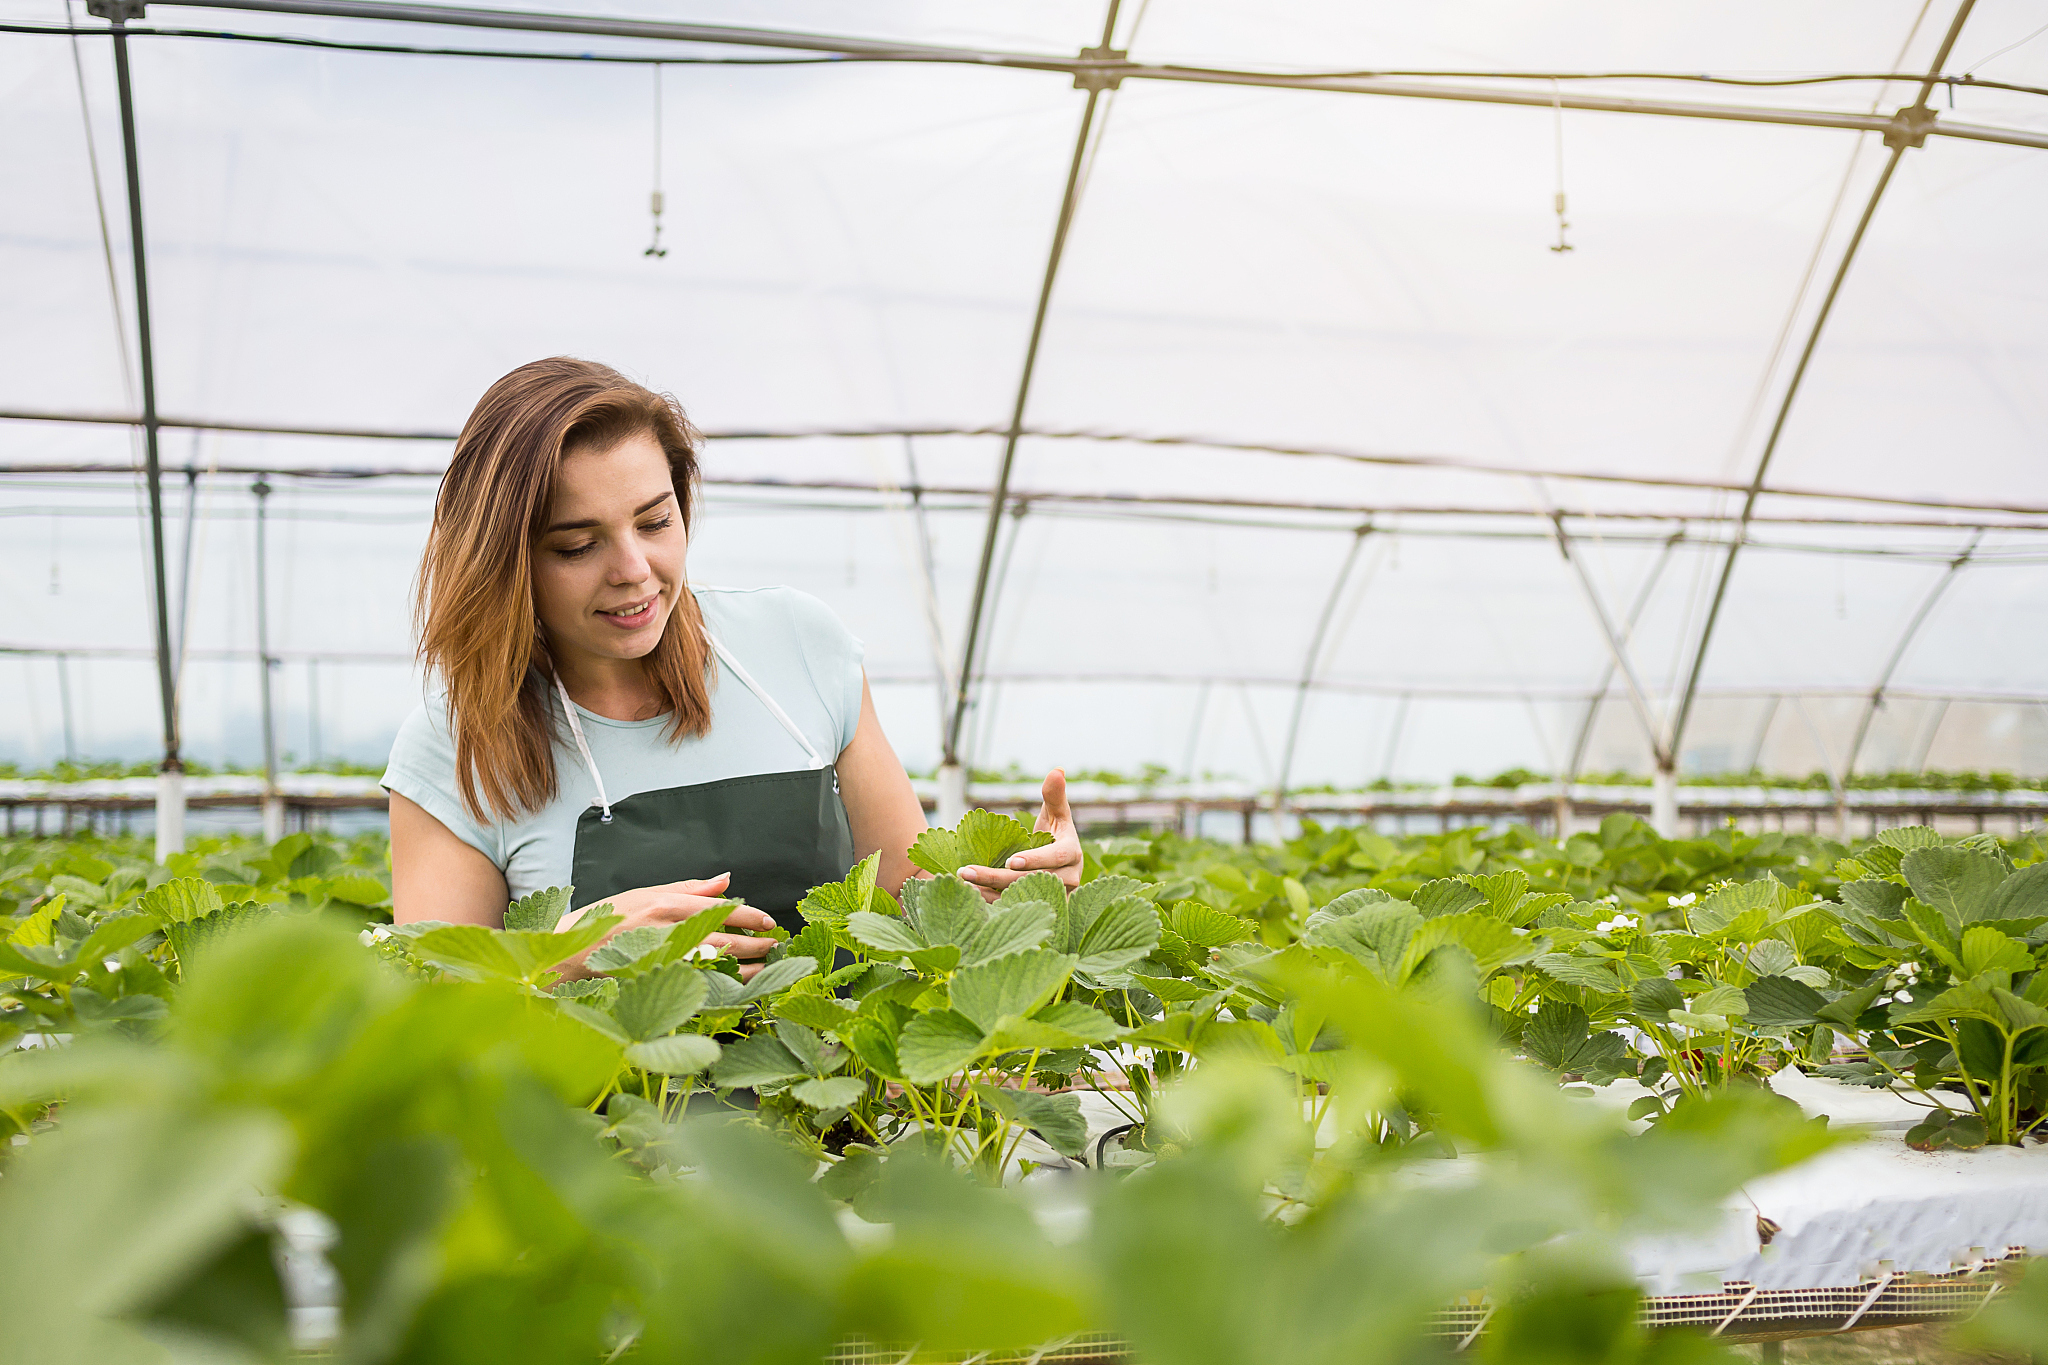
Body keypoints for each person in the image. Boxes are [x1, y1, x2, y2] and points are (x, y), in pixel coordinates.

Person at [382, 357, 1082, 976]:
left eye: (655, 522)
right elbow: (441, 1017)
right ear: (507, 559)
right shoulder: (452, 744)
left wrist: (1015, 888)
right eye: (576, 545)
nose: (634, 570)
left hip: (842, 1110)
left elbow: (915, 907)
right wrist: (568, 953)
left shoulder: (799, 645)